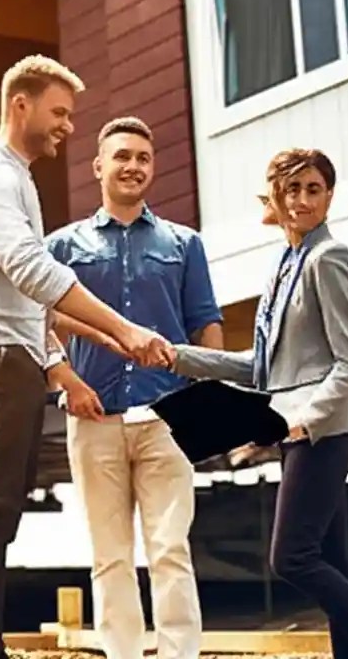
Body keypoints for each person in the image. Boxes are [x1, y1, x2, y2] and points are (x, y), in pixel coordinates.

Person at [0, 55, 173, 659]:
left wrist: (102, 341)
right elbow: (31, 269)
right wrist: (122, 324)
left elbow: (26, 298)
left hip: (6, 356)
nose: (68, 125)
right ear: (22, 104)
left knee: (2, 509)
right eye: (59, 112)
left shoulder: (15, 177)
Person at [167, 149, 348, 659]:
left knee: (291, 556)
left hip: (324, 431)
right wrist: (179, 358)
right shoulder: (284, 265)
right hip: (294, 428)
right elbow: (262, 369)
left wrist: (307, 423)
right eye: (293, 190)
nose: (304, 199)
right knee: (332, 557)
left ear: (330, 195)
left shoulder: (328, 259)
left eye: (314, 189)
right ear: (278, 198)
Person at [46, 117, 223, 659]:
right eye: (122, 156)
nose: (133, 166)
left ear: (152, 168)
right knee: (110, 553)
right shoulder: (62, 246)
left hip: (169, 415)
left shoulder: (184, 244)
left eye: (143, 158)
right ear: (99, 166)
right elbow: (37, 317)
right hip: (93, 417)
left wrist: (209, 396)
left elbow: (205, 324)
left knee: (171, 549)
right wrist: (65, 378)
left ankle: (179, 655)